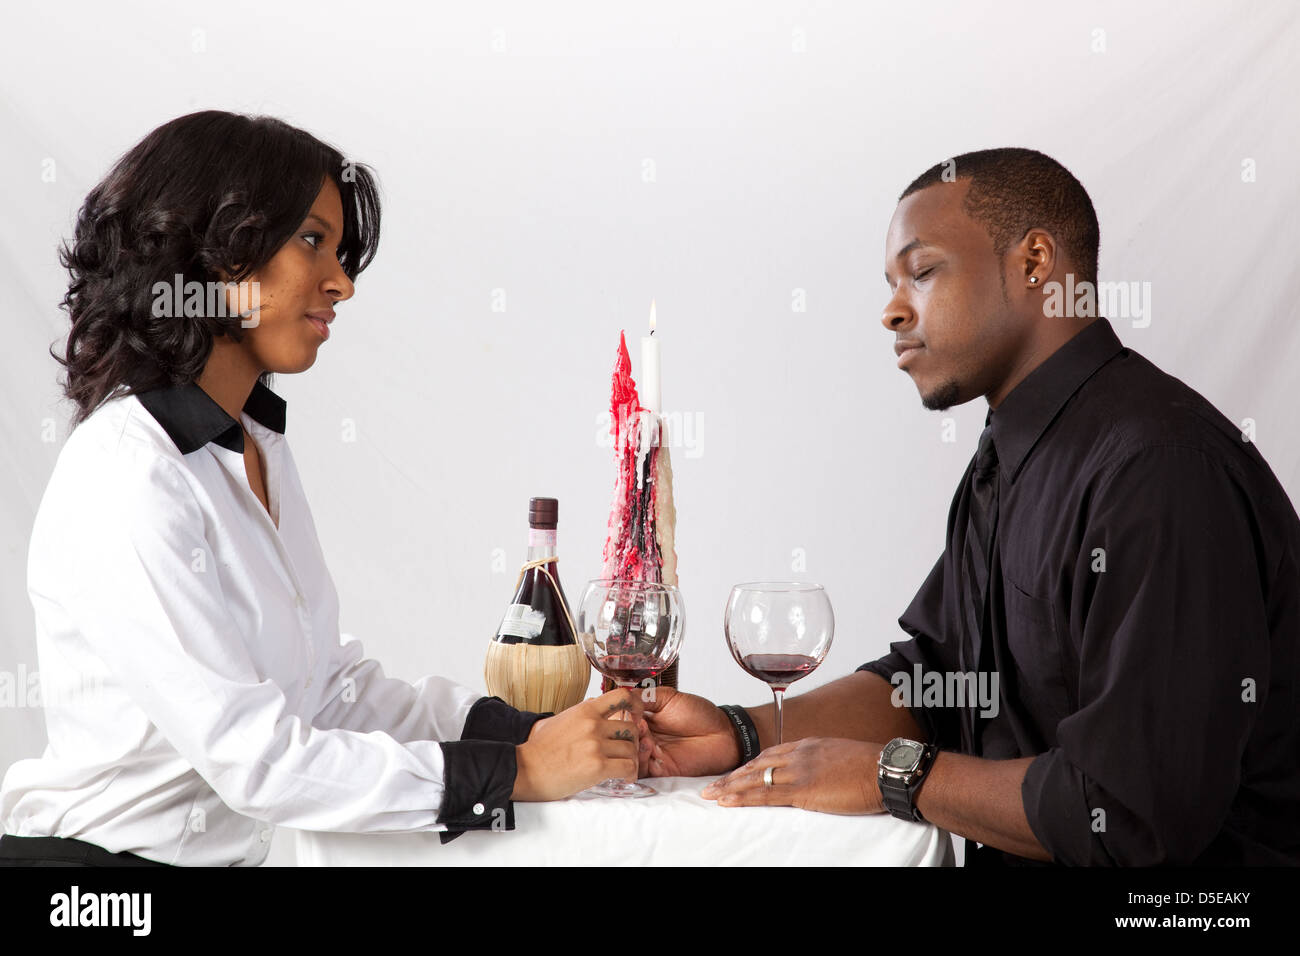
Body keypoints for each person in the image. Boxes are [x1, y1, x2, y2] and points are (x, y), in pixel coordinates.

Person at [0, 110, 640, 868]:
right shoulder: (127, 470)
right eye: (311, 241)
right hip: (107, 886)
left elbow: (329, 694)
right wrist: (521, 774)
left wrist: (526, 730)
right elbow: (255, 760)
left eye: (338, 250)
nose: (340, 282)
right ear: (212, 254)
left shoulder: (254, 446)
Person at [636, 147, 1300, 866]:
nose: (892, 311)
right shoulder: (1004, 459)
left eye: (921, 273)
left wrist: (890, 777)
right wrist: (742, 731)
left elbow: (1129, 810)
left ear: (1035, 262)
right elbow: (941, 678)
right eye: (891, 284)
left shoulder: (1160, 470)